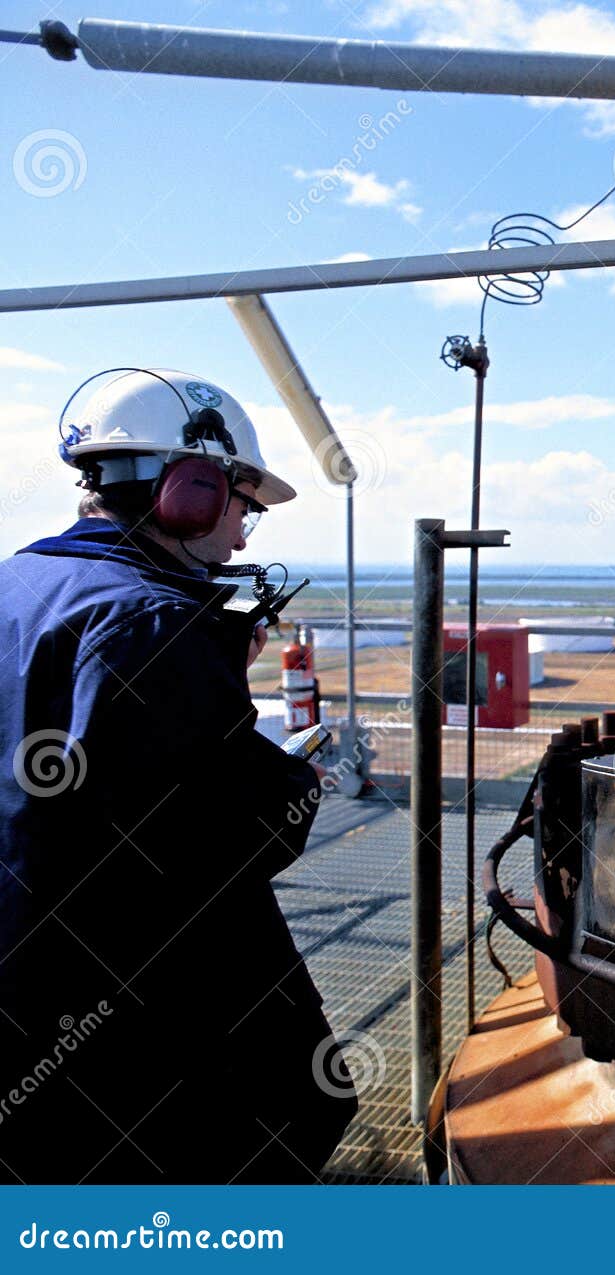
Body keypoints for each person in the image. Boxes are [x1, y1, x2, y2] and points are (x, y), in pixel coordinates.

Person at [0, 368, 356, 1183]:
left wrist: (208, 681)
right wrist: (297, 776)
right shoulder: (152, 620)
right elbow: (232, 836)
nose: (241, 540)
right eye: (243, 507)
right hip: (133, 1045)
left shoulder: (14, 584)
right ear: (191, 491)